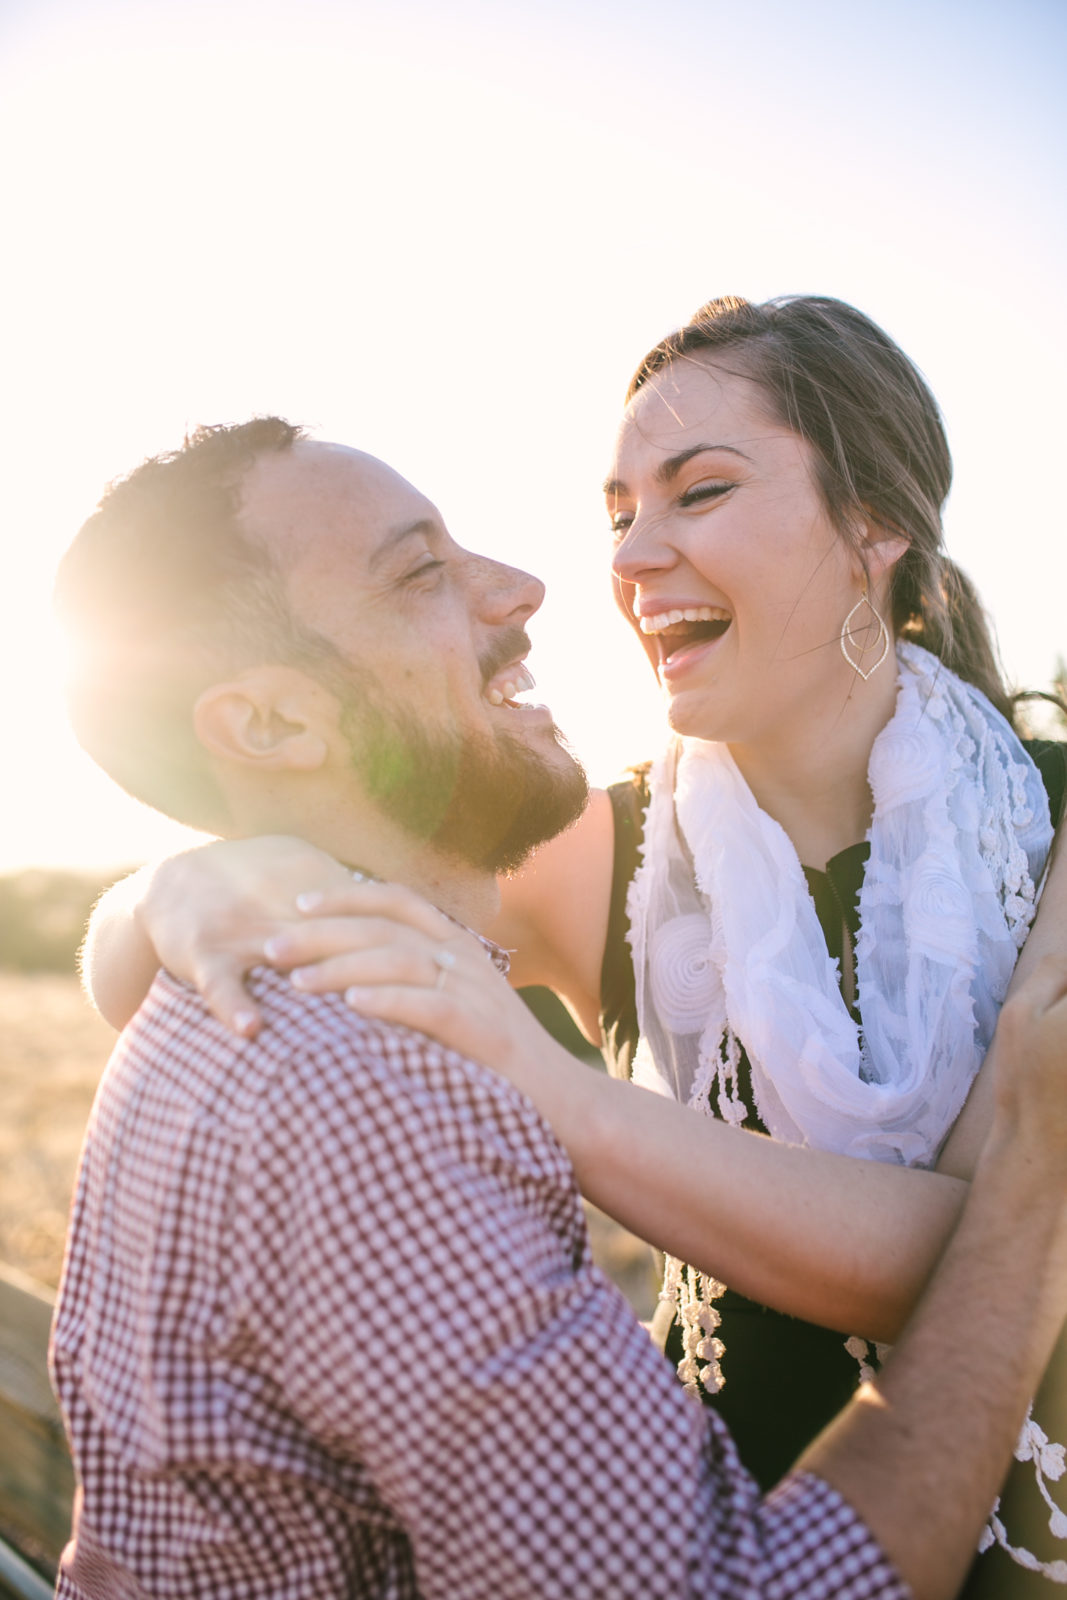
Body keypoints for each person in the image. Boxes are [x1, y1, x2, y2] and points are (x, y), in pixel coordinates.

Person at [78, 293, 1067, 1585]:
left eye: (698, 492)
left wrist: (554, 1094)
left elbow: (998, 1234)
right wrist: (178, 882)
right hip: (711, 1525)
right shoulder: (615, 852)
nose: (630, 557)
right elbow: (154, 962)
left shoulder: (1048, 832)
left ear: (876, 519)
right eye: (619, 514)